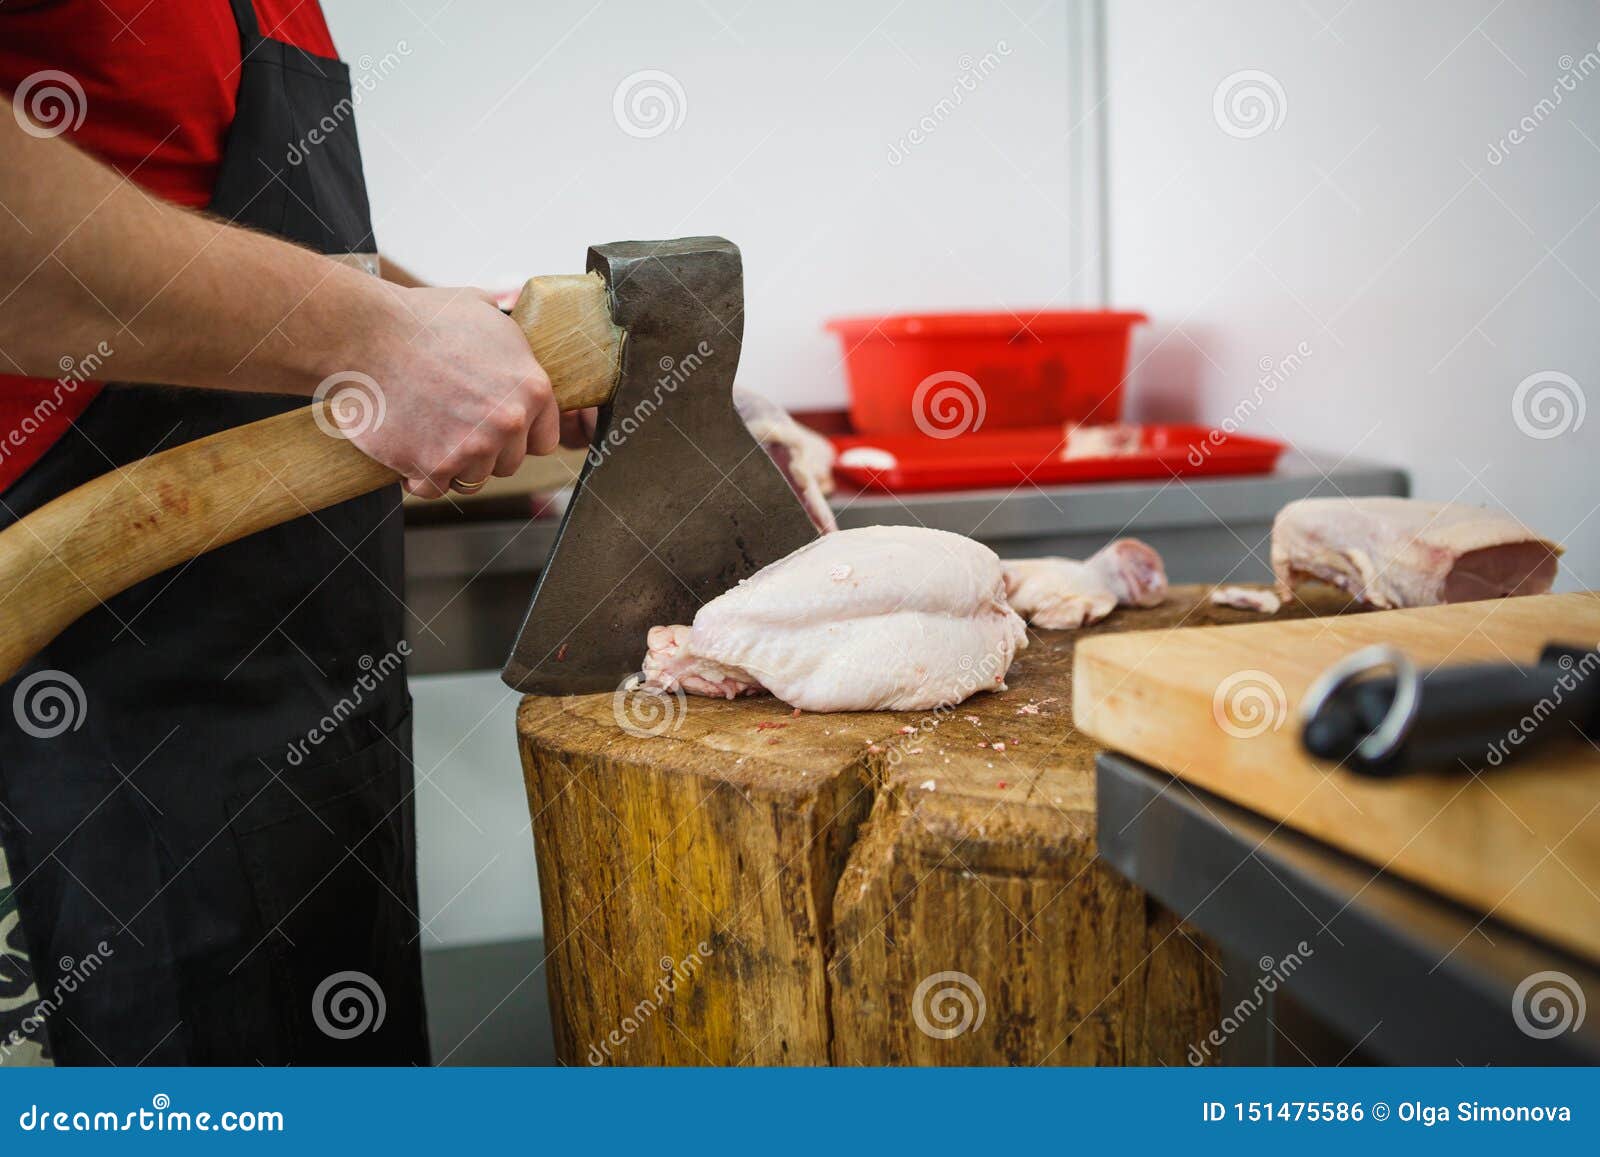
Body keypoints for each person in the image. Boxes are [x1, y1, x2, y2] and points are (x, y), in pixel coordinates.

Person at [0, 1, 575, 1064]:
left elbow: (196, 201)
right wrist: (375, 337)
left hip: (299, 718)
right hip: (72, 723)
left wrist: (458, 337)